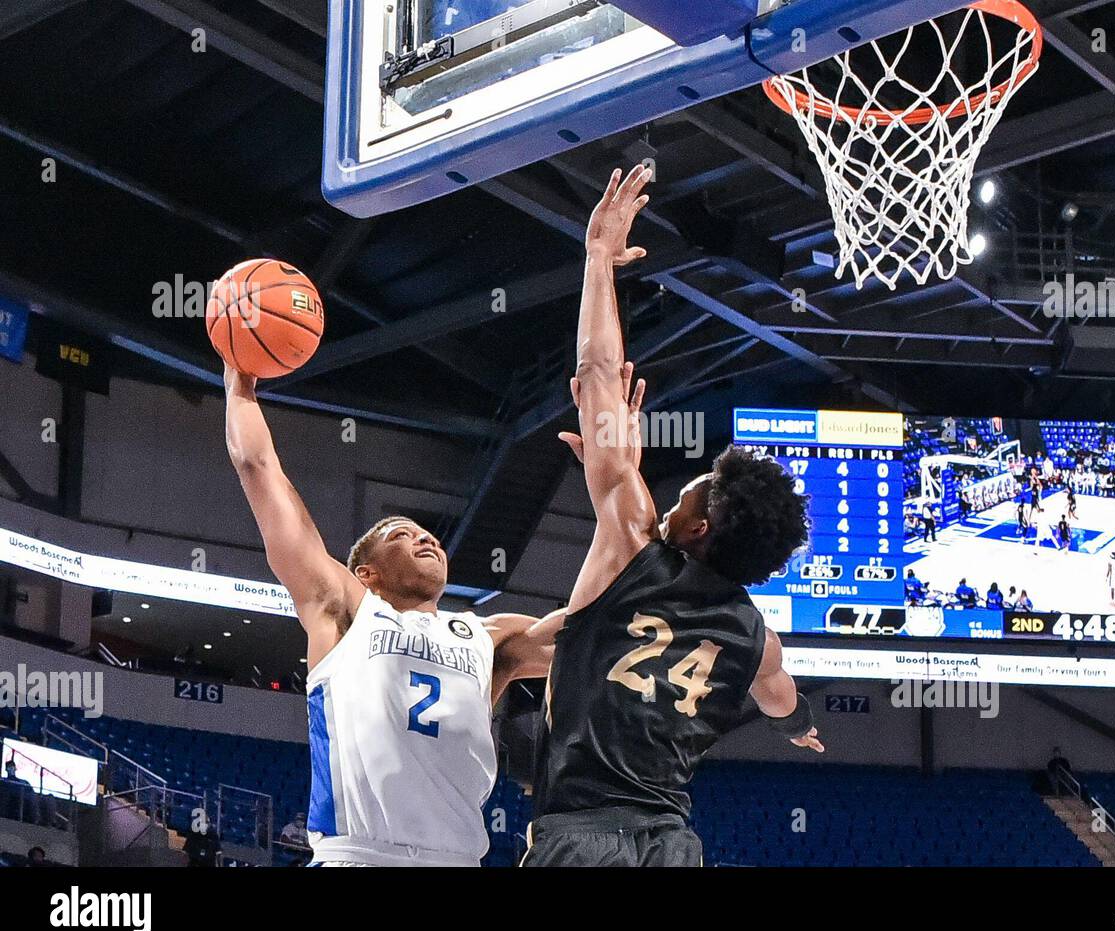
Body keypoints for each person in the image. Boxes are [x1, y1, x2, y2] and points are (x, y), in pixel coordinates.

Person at [524, 167, 823, 868]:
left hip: (581, 836)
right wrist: (804, 727)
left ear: (696, 529)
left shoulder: (631, 537)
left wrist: (599, 260)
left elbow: (599, 370)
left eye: (692, 491)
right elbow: (783, 703)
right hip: (671, 846)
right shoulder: (758, 641)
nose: (677, 492)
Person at [222, 365, 565, 867]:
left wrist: (615, 479)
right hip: (359, 855)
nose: (425, 537)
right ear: (366, 572)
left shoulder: (488, 636)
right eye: (401, 535)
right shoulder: (344, 609)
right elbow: (258, 466)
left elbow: (598, 632)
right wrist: (239, 385)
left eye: (429, 535)